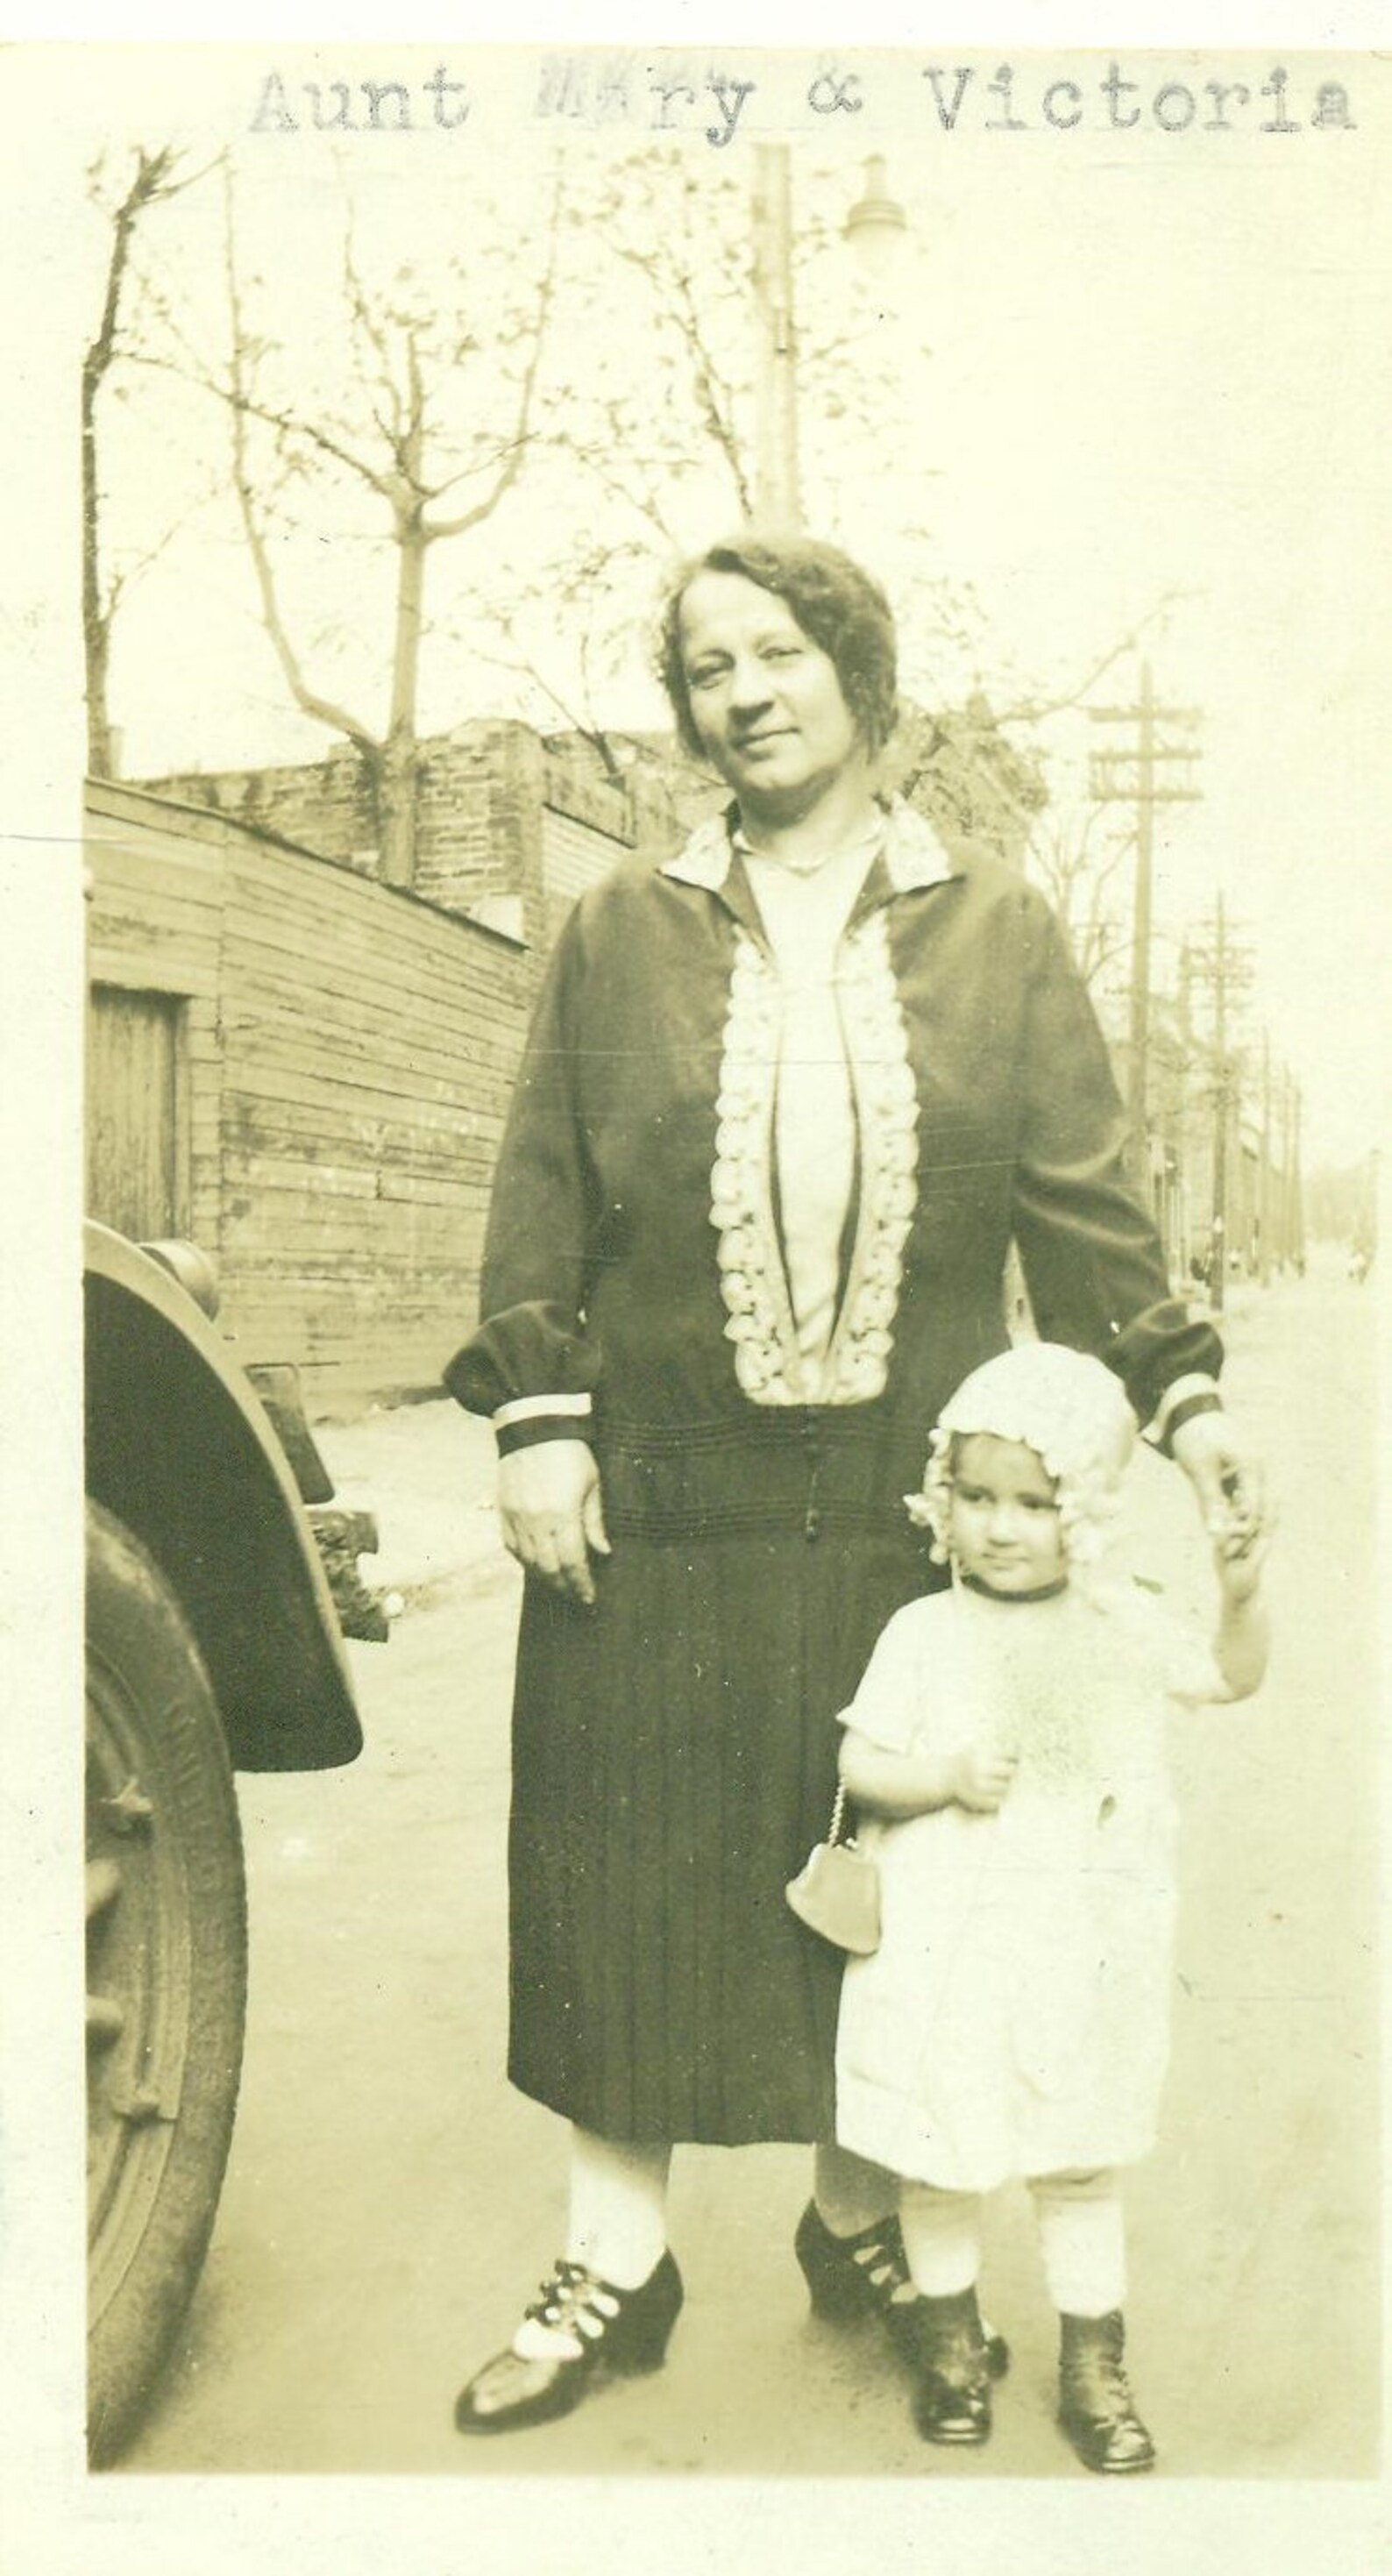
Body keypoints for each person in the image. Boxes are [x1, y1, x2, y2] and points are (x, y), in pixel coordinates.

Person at [443, 533, 1265, 2437]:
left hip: (900, 1506)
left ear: (854, 667)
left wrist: (1185, 1400)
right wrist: (537, 1416)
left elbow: (1078, 1206)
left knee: (891, 1875)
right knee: (623, 1871)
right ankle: (615, 2260)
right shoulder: (615, 927)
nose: (741, 691)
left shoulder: (994, 926)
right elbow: (546, 1175)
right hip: (659, 1484)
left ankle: (860, 2219)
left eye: (776, 651)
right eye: (703, 665)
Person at [834, 1340, 1269, 2473]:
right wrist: (940, 1779)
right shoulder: (922, 1631)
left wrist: (1239, 1589)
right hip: (945, 1947)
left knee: (1077, 2154)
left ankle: (1092, 2361)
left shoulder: (1116, 1623)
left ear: (1081, 1508)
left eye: (1033, 1501)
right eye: (975, 1496)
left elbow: (1230, 1674)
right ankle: (949, 2344)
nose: (999, 1525)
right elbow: (862, 1767)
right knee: (943, 2148)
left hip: (1079, 1945)